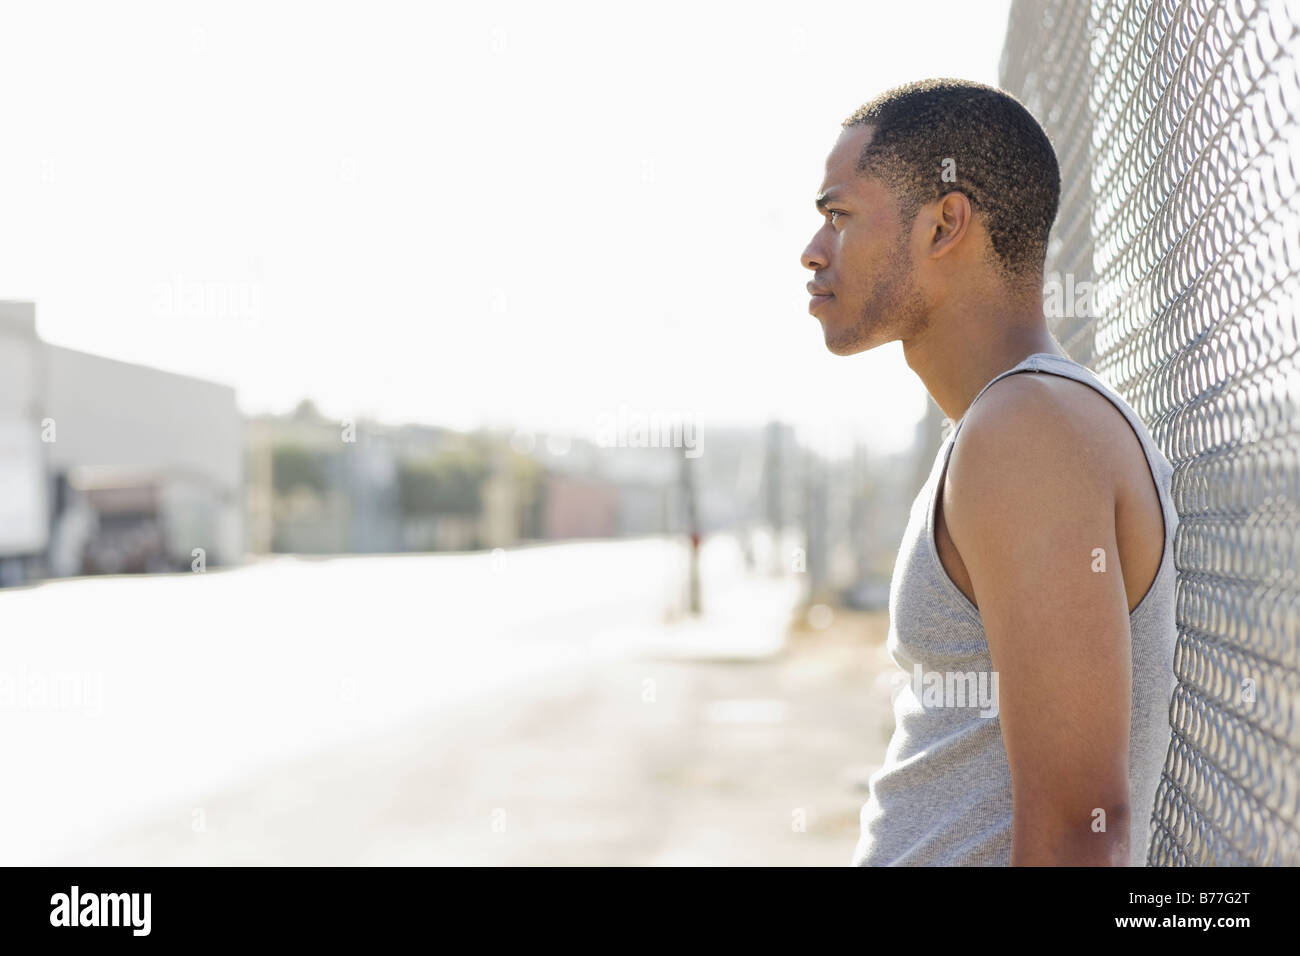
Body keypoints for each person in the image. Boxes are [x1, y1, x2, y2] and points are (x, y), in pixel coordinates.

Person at [801, 78, 1178, 866]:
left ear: (945, 224)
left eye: (839, 215)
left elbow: (1082, 824)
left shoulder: (1028, 430)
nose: (813, 251)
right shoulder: (1003, 424)